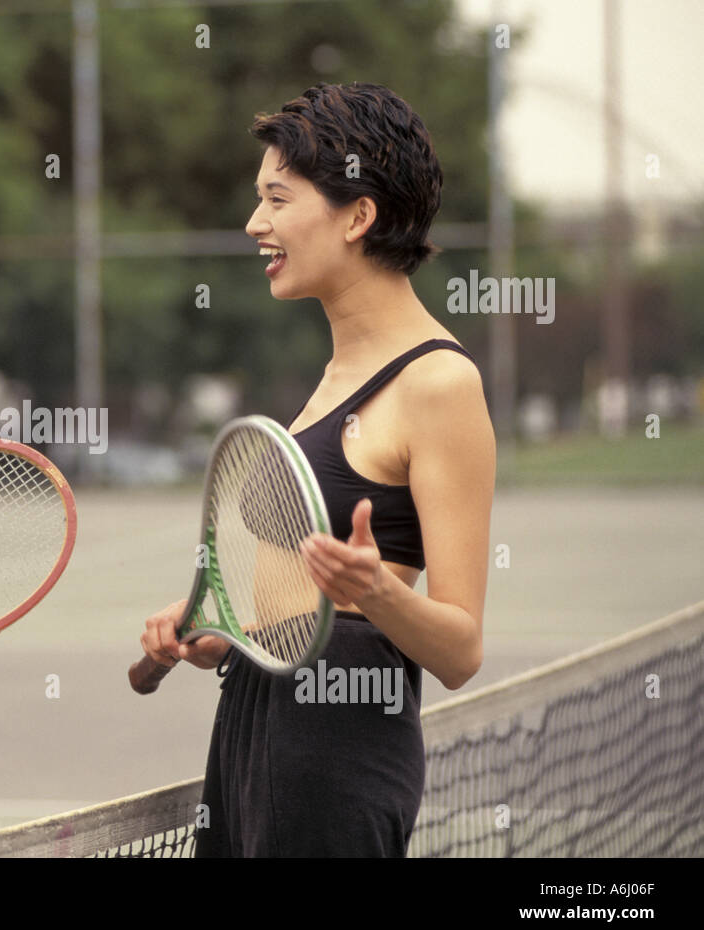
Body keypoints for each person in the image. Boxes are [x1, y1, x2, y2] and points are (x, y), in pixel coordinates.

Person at [139, 82, 494, 857]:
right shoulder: (330, 380)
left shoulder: (439, 384)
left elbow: (461, 649)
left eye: (277, 198)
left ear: (358, 215)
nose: (254, 223)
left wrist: (375, 592)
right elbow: (299, 599)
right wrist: (227, 629)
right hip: (252, 736)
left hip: (336, 757)